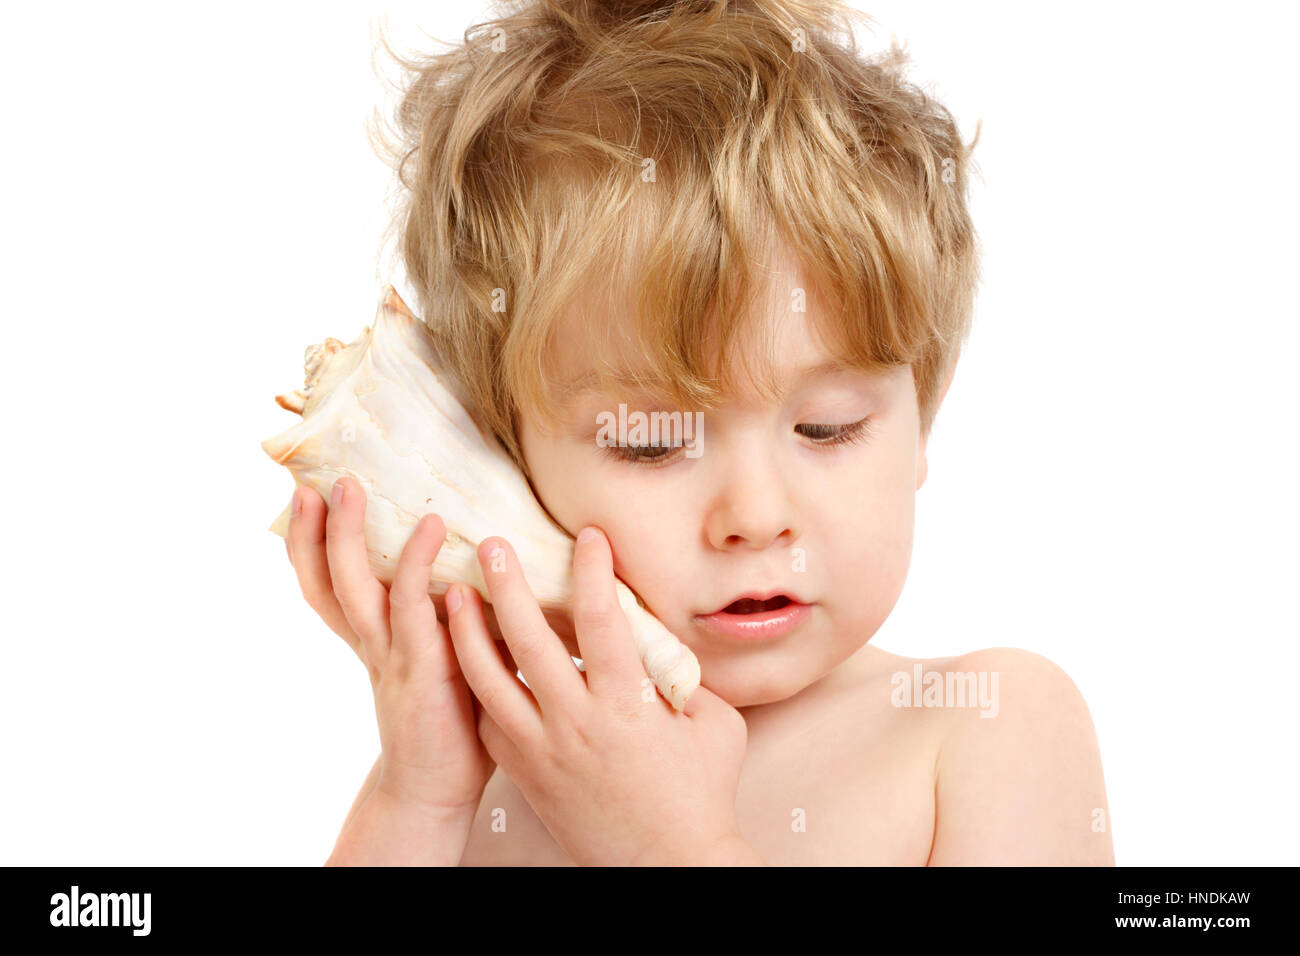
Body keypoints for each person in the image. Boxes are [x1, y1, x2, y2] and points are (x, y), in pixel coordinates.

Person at [283, 0, 1113, 865]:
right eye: (650, 442)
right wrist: (416, 794)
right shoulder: (497, 783)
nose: (756, 516)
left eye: (827, 429)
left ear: (921, 420)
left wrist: (667, 847)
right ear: (503, 457)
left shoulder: (985, 728)